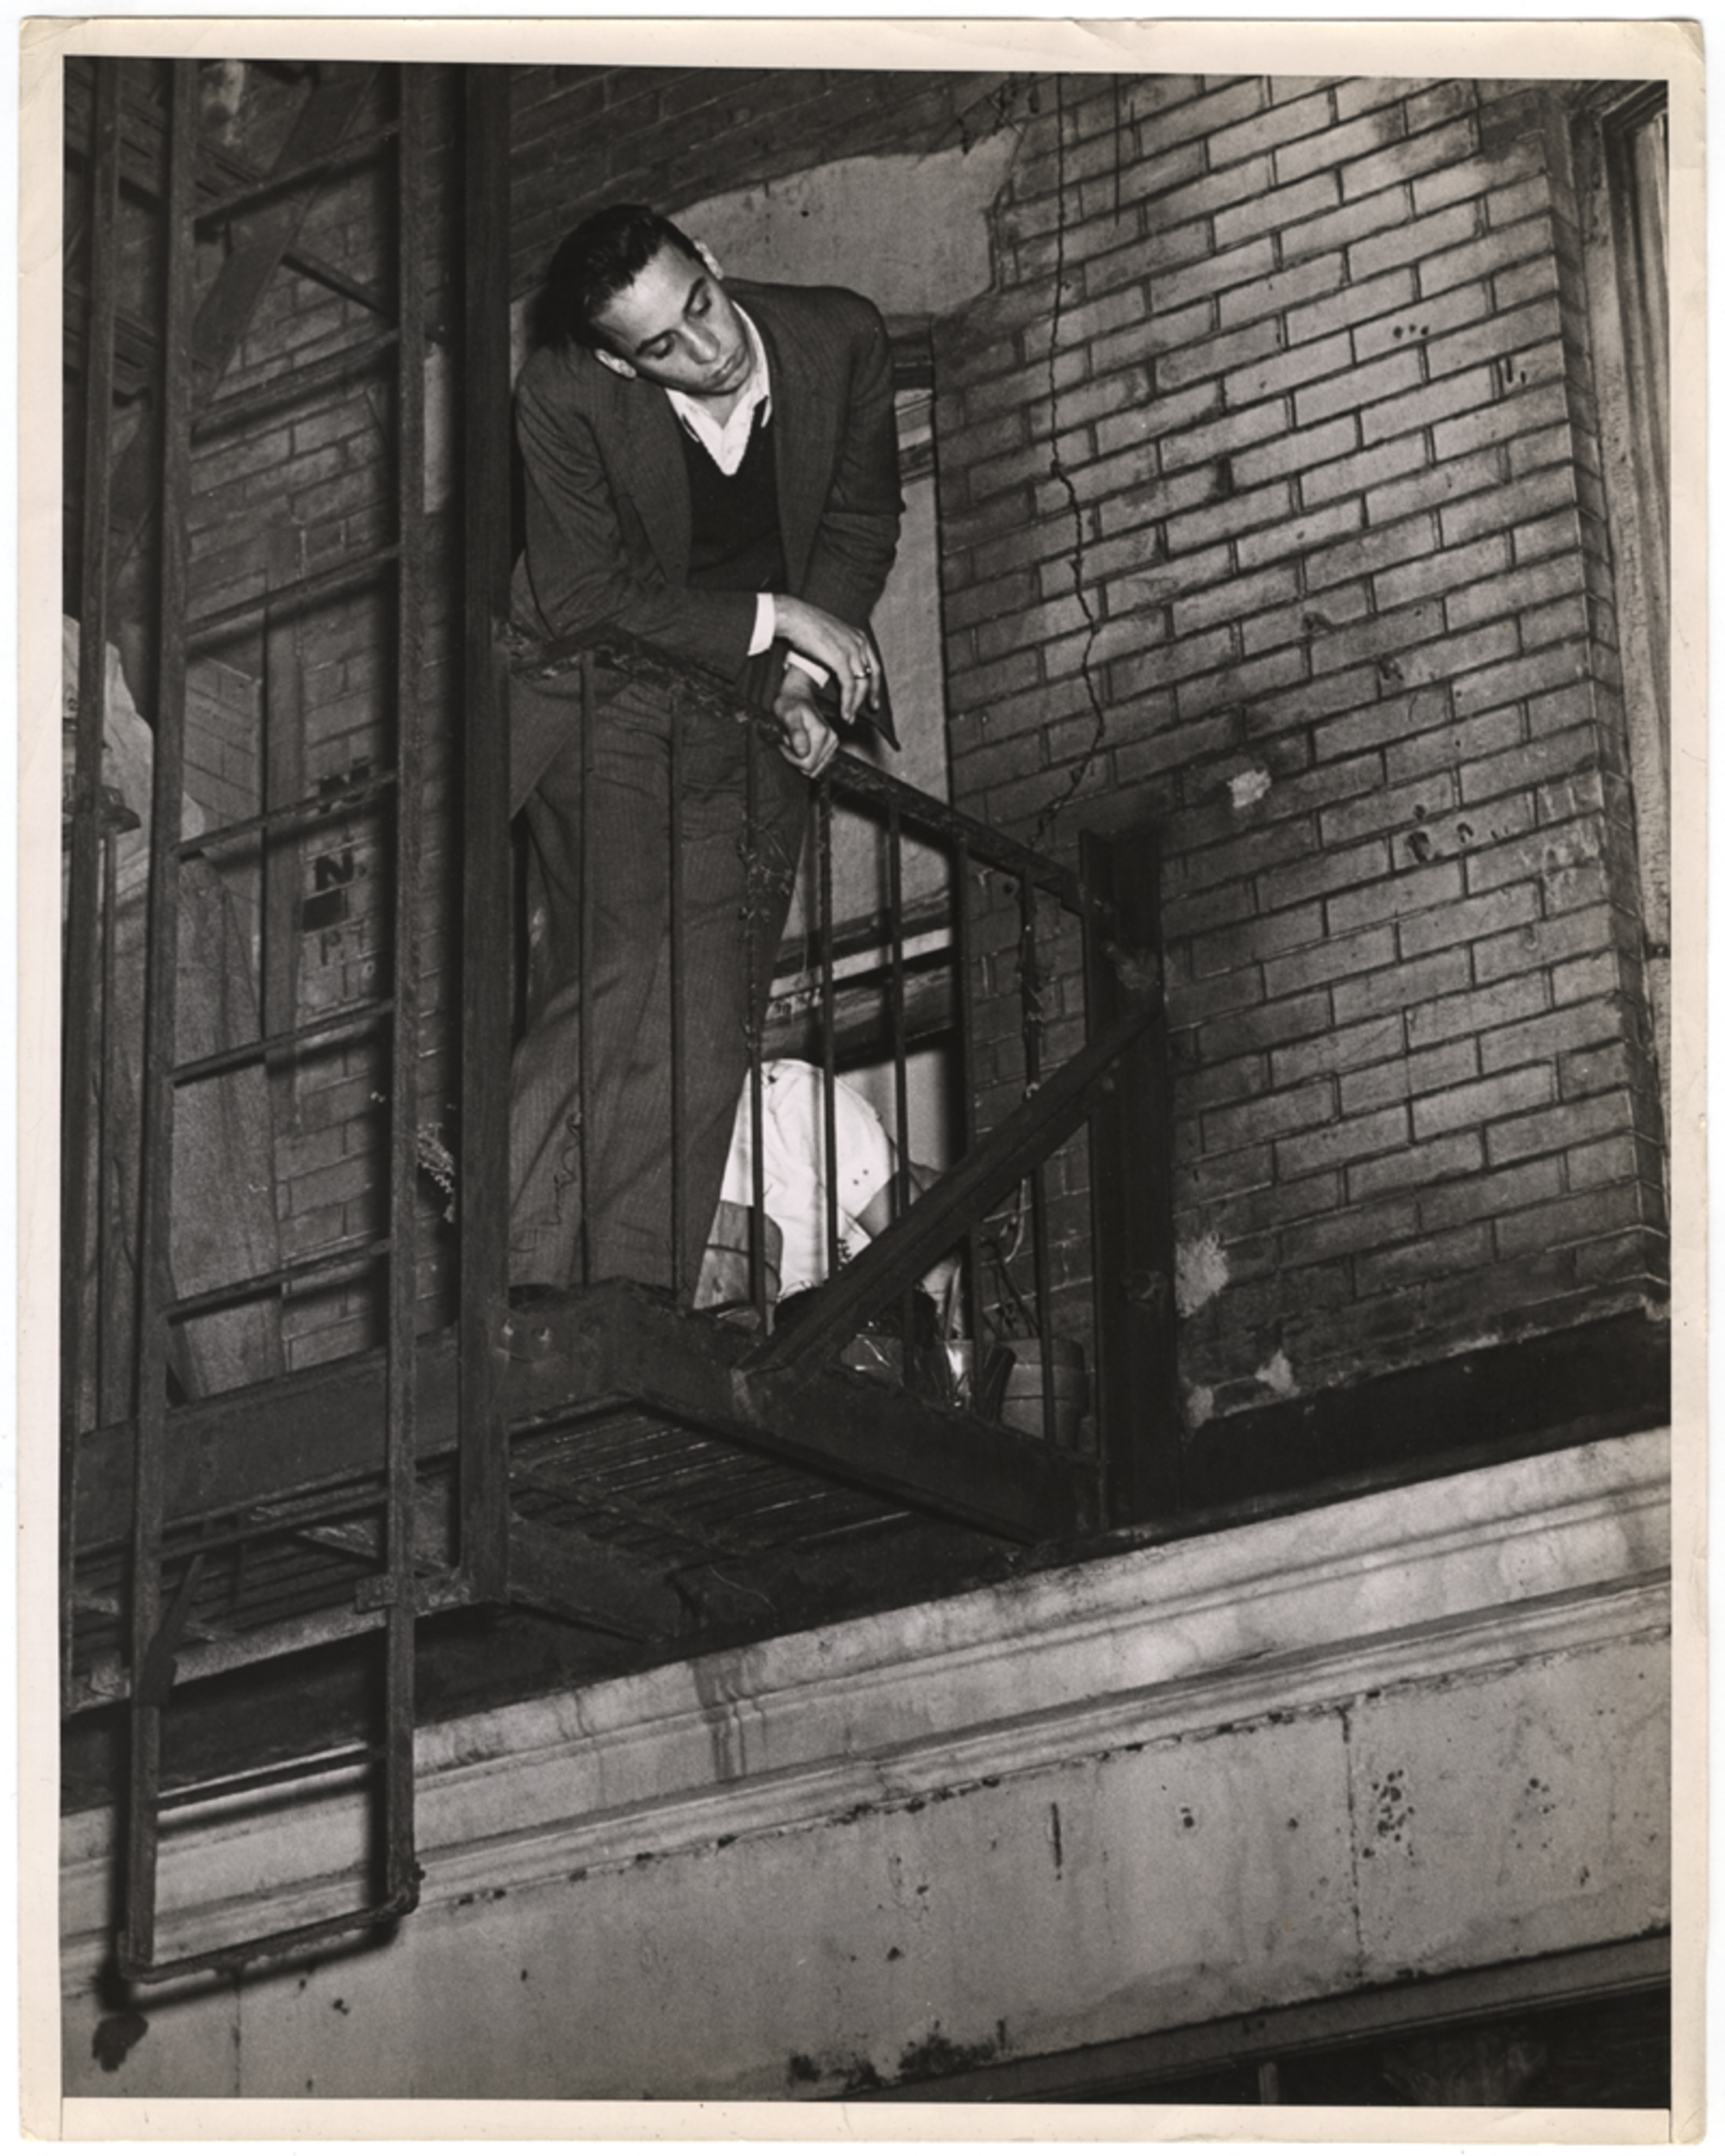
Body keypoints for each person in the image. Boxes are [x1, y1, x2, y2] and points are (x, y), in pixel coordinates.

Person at [505, 204, 903, 1298]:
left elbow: (859, 524)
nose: (708, 348)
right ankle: (517, 1280)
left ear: (714, 265)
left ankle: (633, 1292)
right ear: (617, 362)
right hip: (603, 687)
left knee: (709, 1019)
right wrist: (780, 618)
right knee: (623, 960)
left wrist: (800, 678)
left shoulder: (839, 340)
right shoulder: (563, 393)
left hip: (743, 705)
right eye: (663, 348)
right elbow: (585, 596)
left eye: (701, 304)